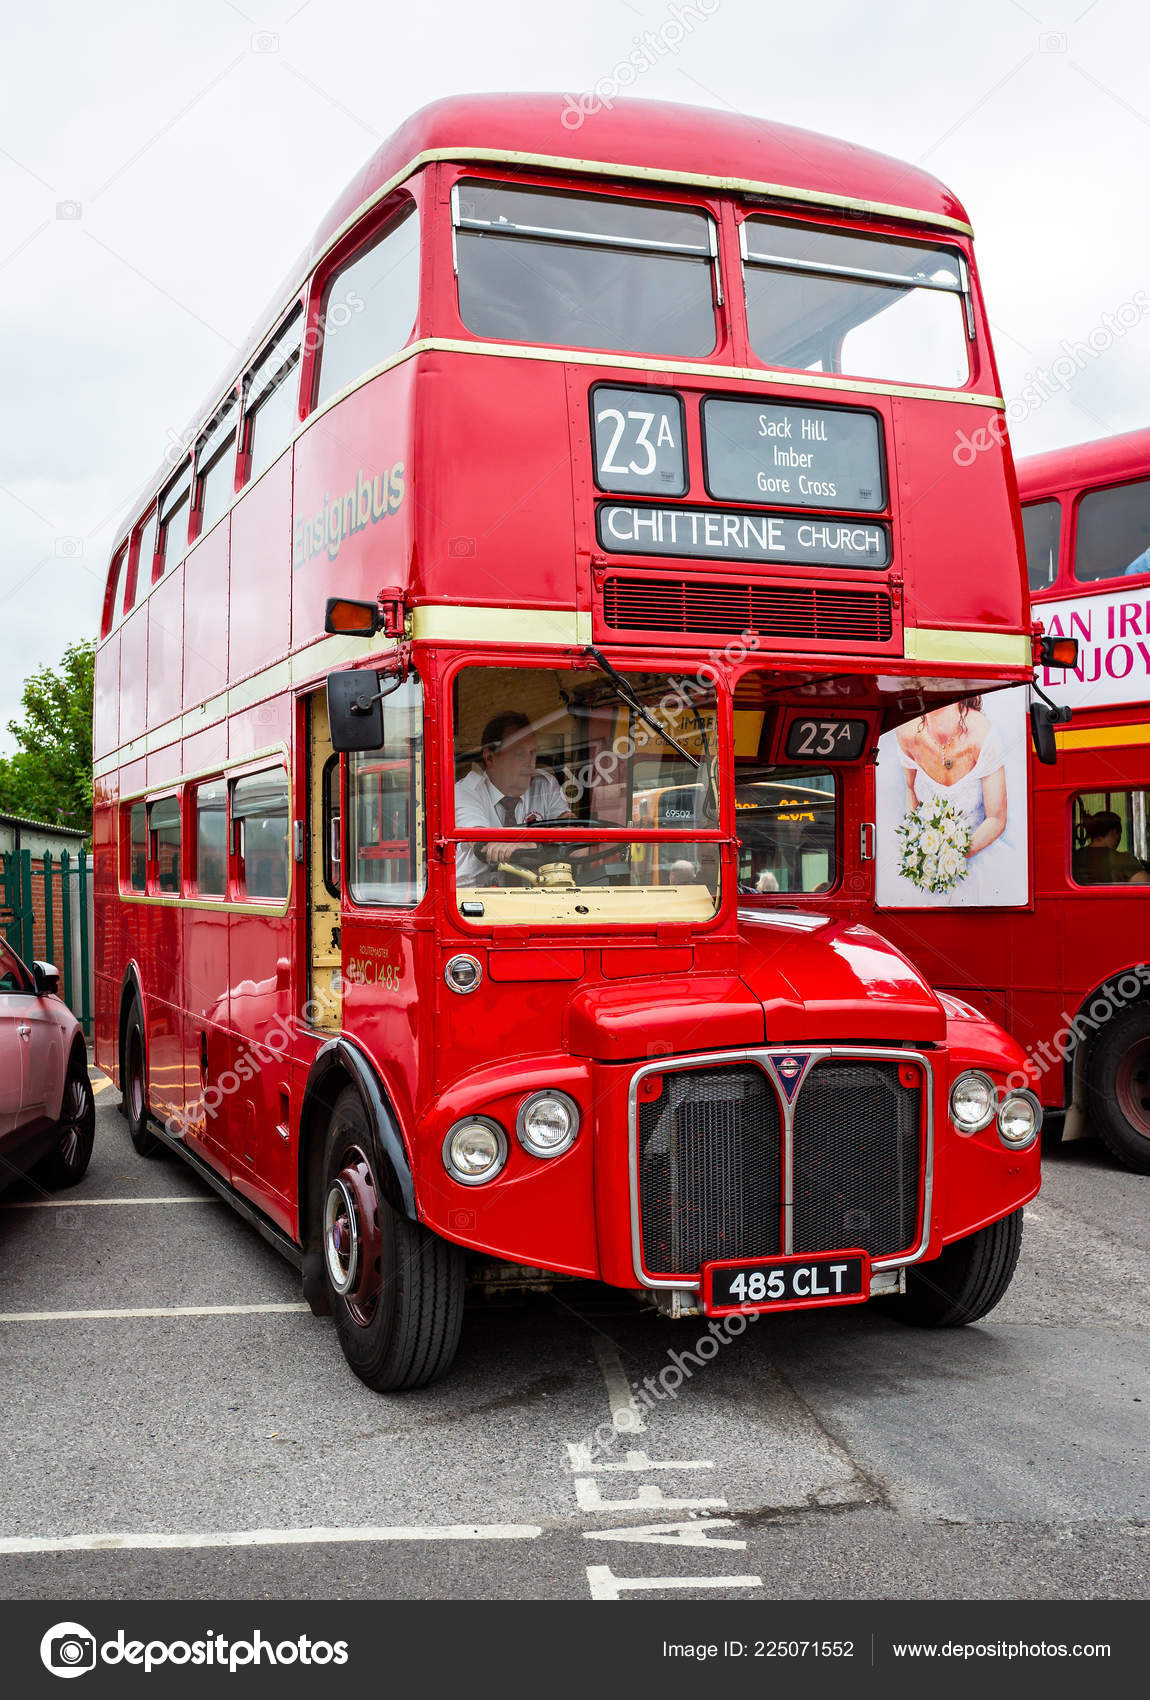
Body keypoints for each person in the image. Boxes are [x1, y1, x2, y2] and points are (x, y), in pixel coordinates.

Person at [894, 696, 1007, 903]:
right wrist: (921, 850)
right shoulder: (906, 732)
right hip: (930, 870)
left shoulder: (982, 733)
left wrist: (952, 855)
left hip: (980, 865)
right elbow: (911, 792)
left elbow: (996, 819)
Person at [454, 710, 573, 885]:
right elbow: (483, 844)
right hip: (475, 893)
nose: (531, 763)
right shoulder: (466, 791)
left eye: (533, 753)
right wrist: (542, 843)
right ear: (490, 757)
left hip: (536, 891)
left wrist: (523, 845)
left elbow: (570, 834)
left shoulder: (545, 784)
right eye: (520, 754)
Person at [1072, 810, 1150, 885]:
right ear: (1114, 832)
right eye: (1120, 833)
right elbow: (1144, 884)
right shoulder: (1124, 860)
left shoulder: (1074, 858)